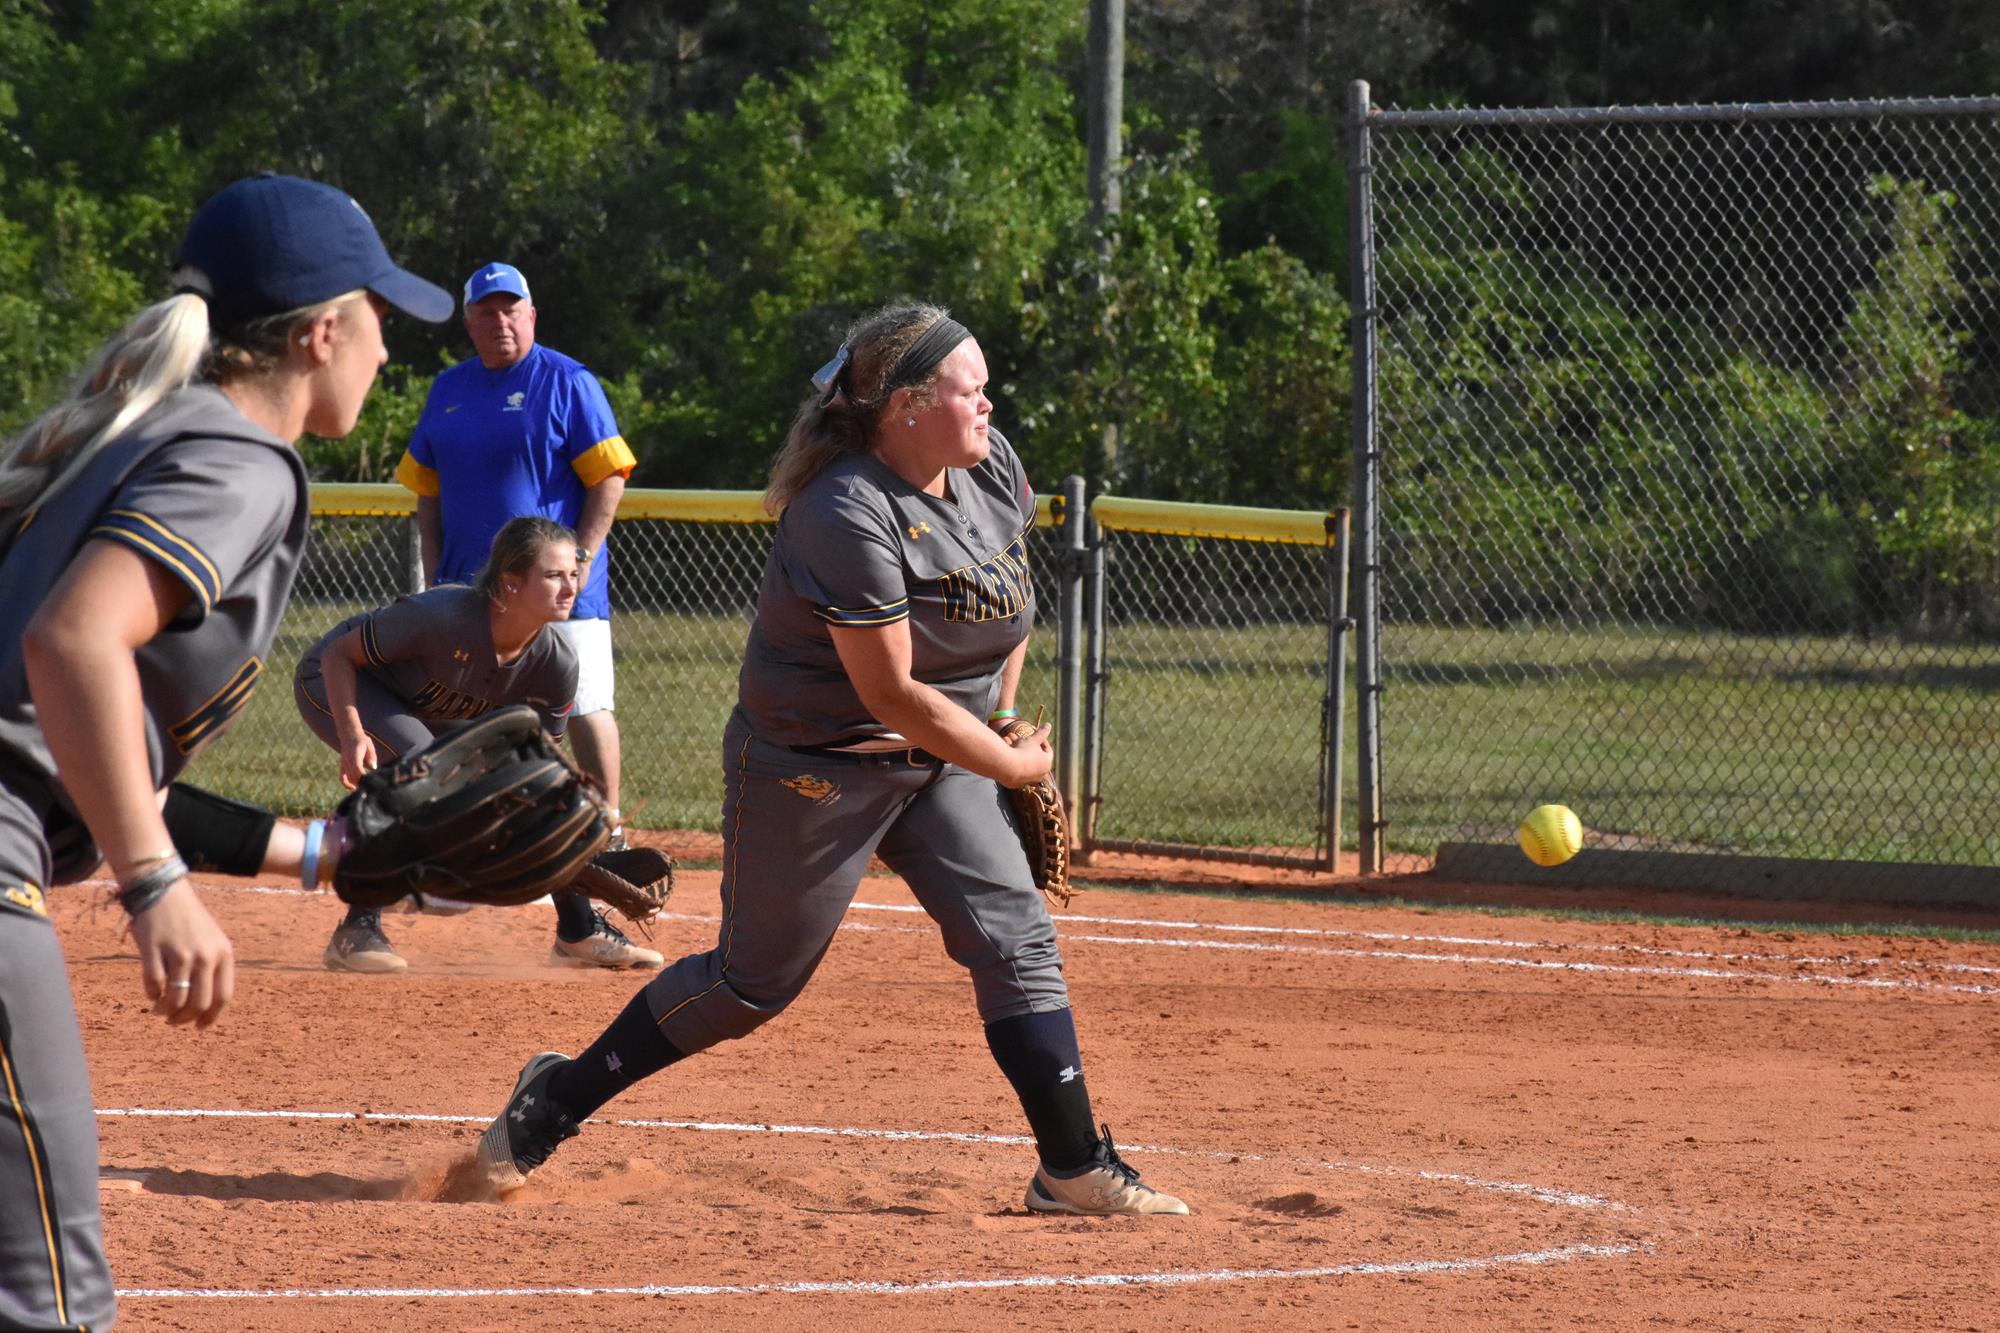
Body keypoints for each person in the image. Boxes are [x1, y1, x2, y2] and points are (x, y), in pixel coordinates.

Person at [472, 303, 1188, 1217]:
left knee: (1017, 940)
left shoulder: (988, 464)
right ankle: (555, 1099)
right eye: (972, 389)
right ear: (906, 408)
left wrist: (999, 719)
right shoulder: (845, 510)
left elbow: (1009, 600)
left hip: (939, 754)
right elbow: (889, 693)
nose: (991, 404)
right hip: (815, 763)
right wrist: (1012, 769)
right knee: (749, 984)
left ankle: (1073, 1164)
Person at [0, 174, 451, 1331]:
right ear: (318, 332)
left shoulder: (136, 433)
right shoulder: (239, 458)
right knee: (49, 1291)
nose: (385, 353)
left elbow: (93, 759)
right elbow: (71, 643)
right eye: (378, 319)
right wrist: (153, 887)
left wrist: (323, 851)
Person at [294, 514, 662, 972]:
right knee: (422, 769)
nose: (570, 587)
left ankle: (578, 930)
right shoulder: (441, 616)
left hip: (429, 711)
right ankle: (357, 929)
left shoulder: (556, 663)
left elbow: (538, 771)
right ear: (510, 583)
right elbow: (338, 656)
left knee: (541, 797)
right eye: (552, 576)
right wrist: (352, 736)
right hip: (341, 683)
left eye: (573, 574)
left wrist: (574, 841)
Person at [392, 262, 635, 848]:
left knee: (584, 705)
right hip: (471, 589)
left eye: (511, 309)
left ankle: (605, 828)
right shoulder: (448, 389)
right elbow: (428, 489)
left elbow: (609, 478)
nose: (500, 321)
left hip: (558, 588)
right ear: (470, 322)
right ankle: (492, 827)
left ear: (531, 315)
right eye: (487, 311)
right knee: (464, 706)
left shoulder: (568, 381)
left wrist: (579, 557)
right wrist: (433, 571)